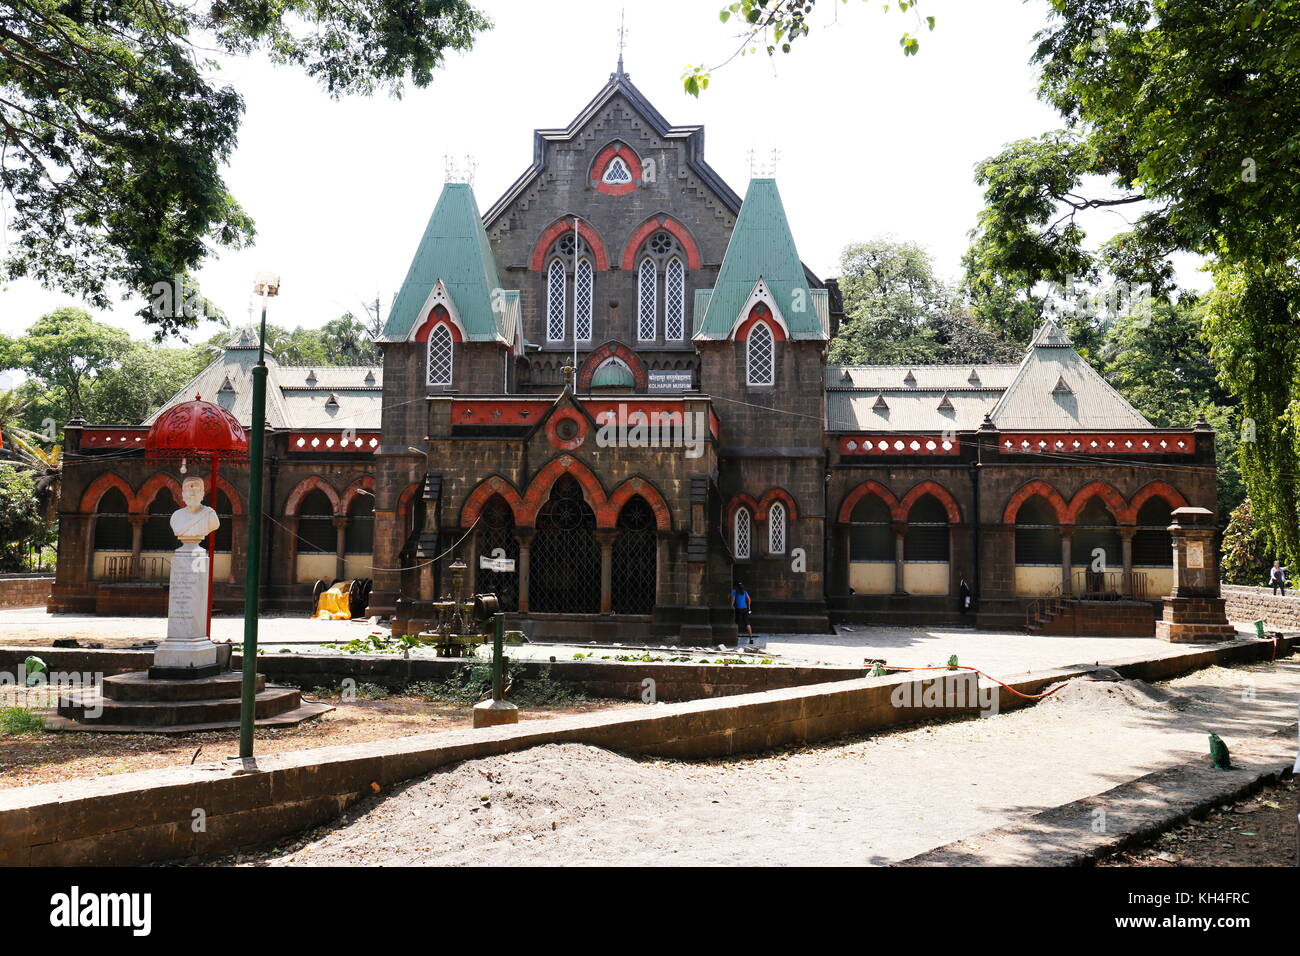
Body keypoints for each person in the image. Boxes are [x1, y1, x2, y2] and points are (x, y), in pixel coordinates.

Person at [731, 581, 754, 646]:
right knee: (747, 623)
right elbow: (749, 599)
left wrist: (731, 607)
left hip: (738, 609)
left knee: (737, 623)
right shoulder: (744, 592)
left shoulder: (734, 591)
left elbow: (733, 600)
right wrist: (749, 607)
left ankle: (736, 637)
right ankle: (751, 638)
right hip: (745, 609)